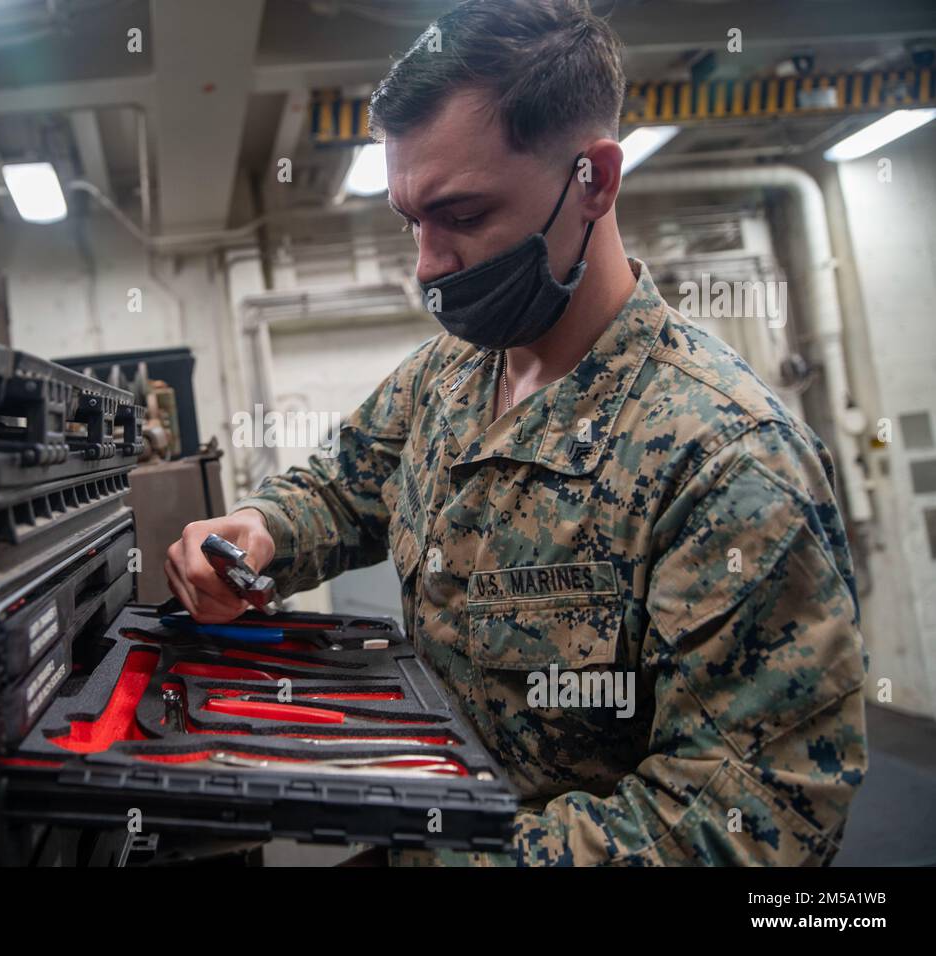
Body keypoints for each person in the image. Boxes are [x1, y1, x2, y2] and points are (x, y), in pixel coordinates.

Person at [165, 0, 867, 866]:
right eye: (409, 221)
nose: (426, 263)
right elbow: (342, 490)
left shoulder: (727, 458)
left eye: (462, 216)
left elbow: (751, 812)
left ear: (594, 182)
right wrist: (261, 531)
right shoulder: (447, 378)